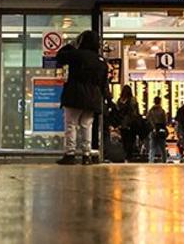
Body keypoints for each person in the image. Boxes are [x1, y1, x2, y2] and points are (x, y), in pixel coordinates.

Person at [55, 30, 109, 165]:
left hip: (75, 95)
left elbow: (60, 57)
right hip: (93, 98)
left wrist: (71, 45)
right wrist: (104, 99)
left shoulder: (77, 55)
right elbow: (103, 84)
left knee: (71, 125)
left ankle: (70, 154)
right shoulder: (101, 61)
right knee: (86, 125)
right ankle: (86, 155)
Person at [116, 87, 143, 159]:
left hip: (122, 124)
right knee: (131, 140)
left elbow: (117, 112)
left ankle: (125, 154)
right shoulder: (132, 100)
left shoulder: (119, 100)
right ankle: (129, 155)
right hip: (131, 123)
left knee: (124, 140)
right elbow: (135, 112)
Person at [146, 96, 169, 163]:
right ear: (160, 102)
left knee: (152, 148)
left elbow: (147, 119)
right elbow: (165, 121)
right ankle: (164, 160)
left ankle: (151, 160)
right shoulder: (162, 111)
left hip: (153, 131)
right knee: (162, 148)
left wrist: (153, 127)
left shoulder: (151, 111)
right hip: (161, 130)